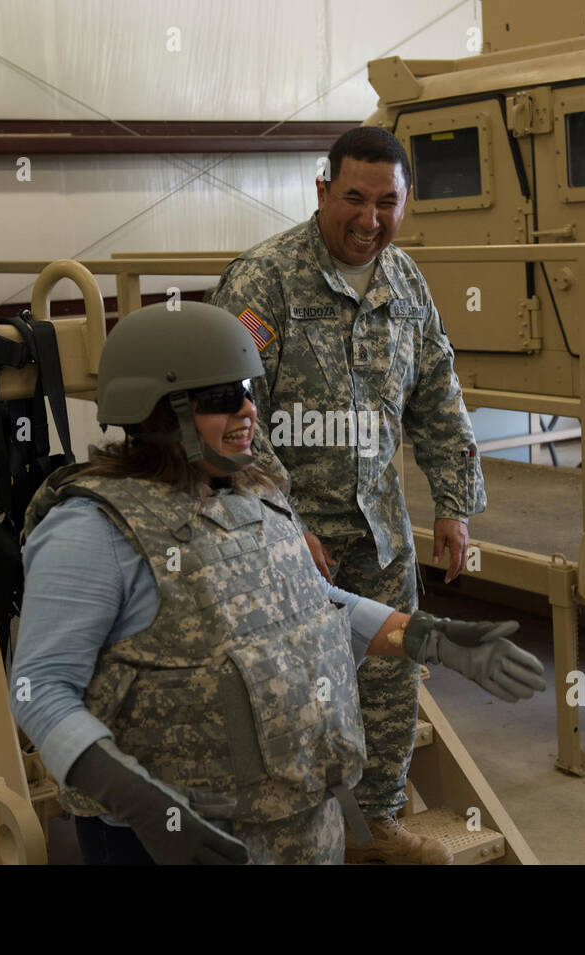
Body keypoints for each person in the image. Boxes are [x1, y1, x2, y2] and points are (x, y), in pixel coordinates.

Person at [8, 301, 545, 865]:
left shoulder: (256, 494)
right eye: (221, 399)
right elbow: (39, 688)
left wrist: (432, 637)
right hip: (174, 838)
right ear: (157, 414)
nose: (247, 412)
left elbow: (313, 603)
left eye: (247, 391)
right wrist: (149, 808)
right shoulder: (90, 530)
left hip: (302, 821)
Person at [208, 126, 485, 863]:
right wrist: (281, 521)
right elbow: (233, 416)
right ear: (322, 189)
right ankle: (287, 844)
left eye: (387, 202)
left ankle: (378, 828)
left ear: (406, 203)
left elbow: (437, 394)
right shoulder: (264, 280)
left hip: (381, 535)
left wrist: (453, 503)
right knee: (289, 700)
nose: (369, 219)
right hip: (289, 544)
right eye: (354, 198)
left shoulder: (406, 281)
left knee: (392, 688)